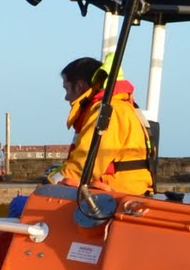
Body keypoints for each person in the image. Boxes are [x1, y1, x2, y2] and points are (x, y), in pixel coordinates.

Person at [58, 56, 153, 195]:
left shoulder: (107, 112)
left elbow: (83, 165)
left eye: (66, 89)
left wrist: (48, 186)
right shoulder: (123, 107)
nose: (66, 97)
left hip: (115, 199)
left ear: (79, 86)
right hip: (129, 194)